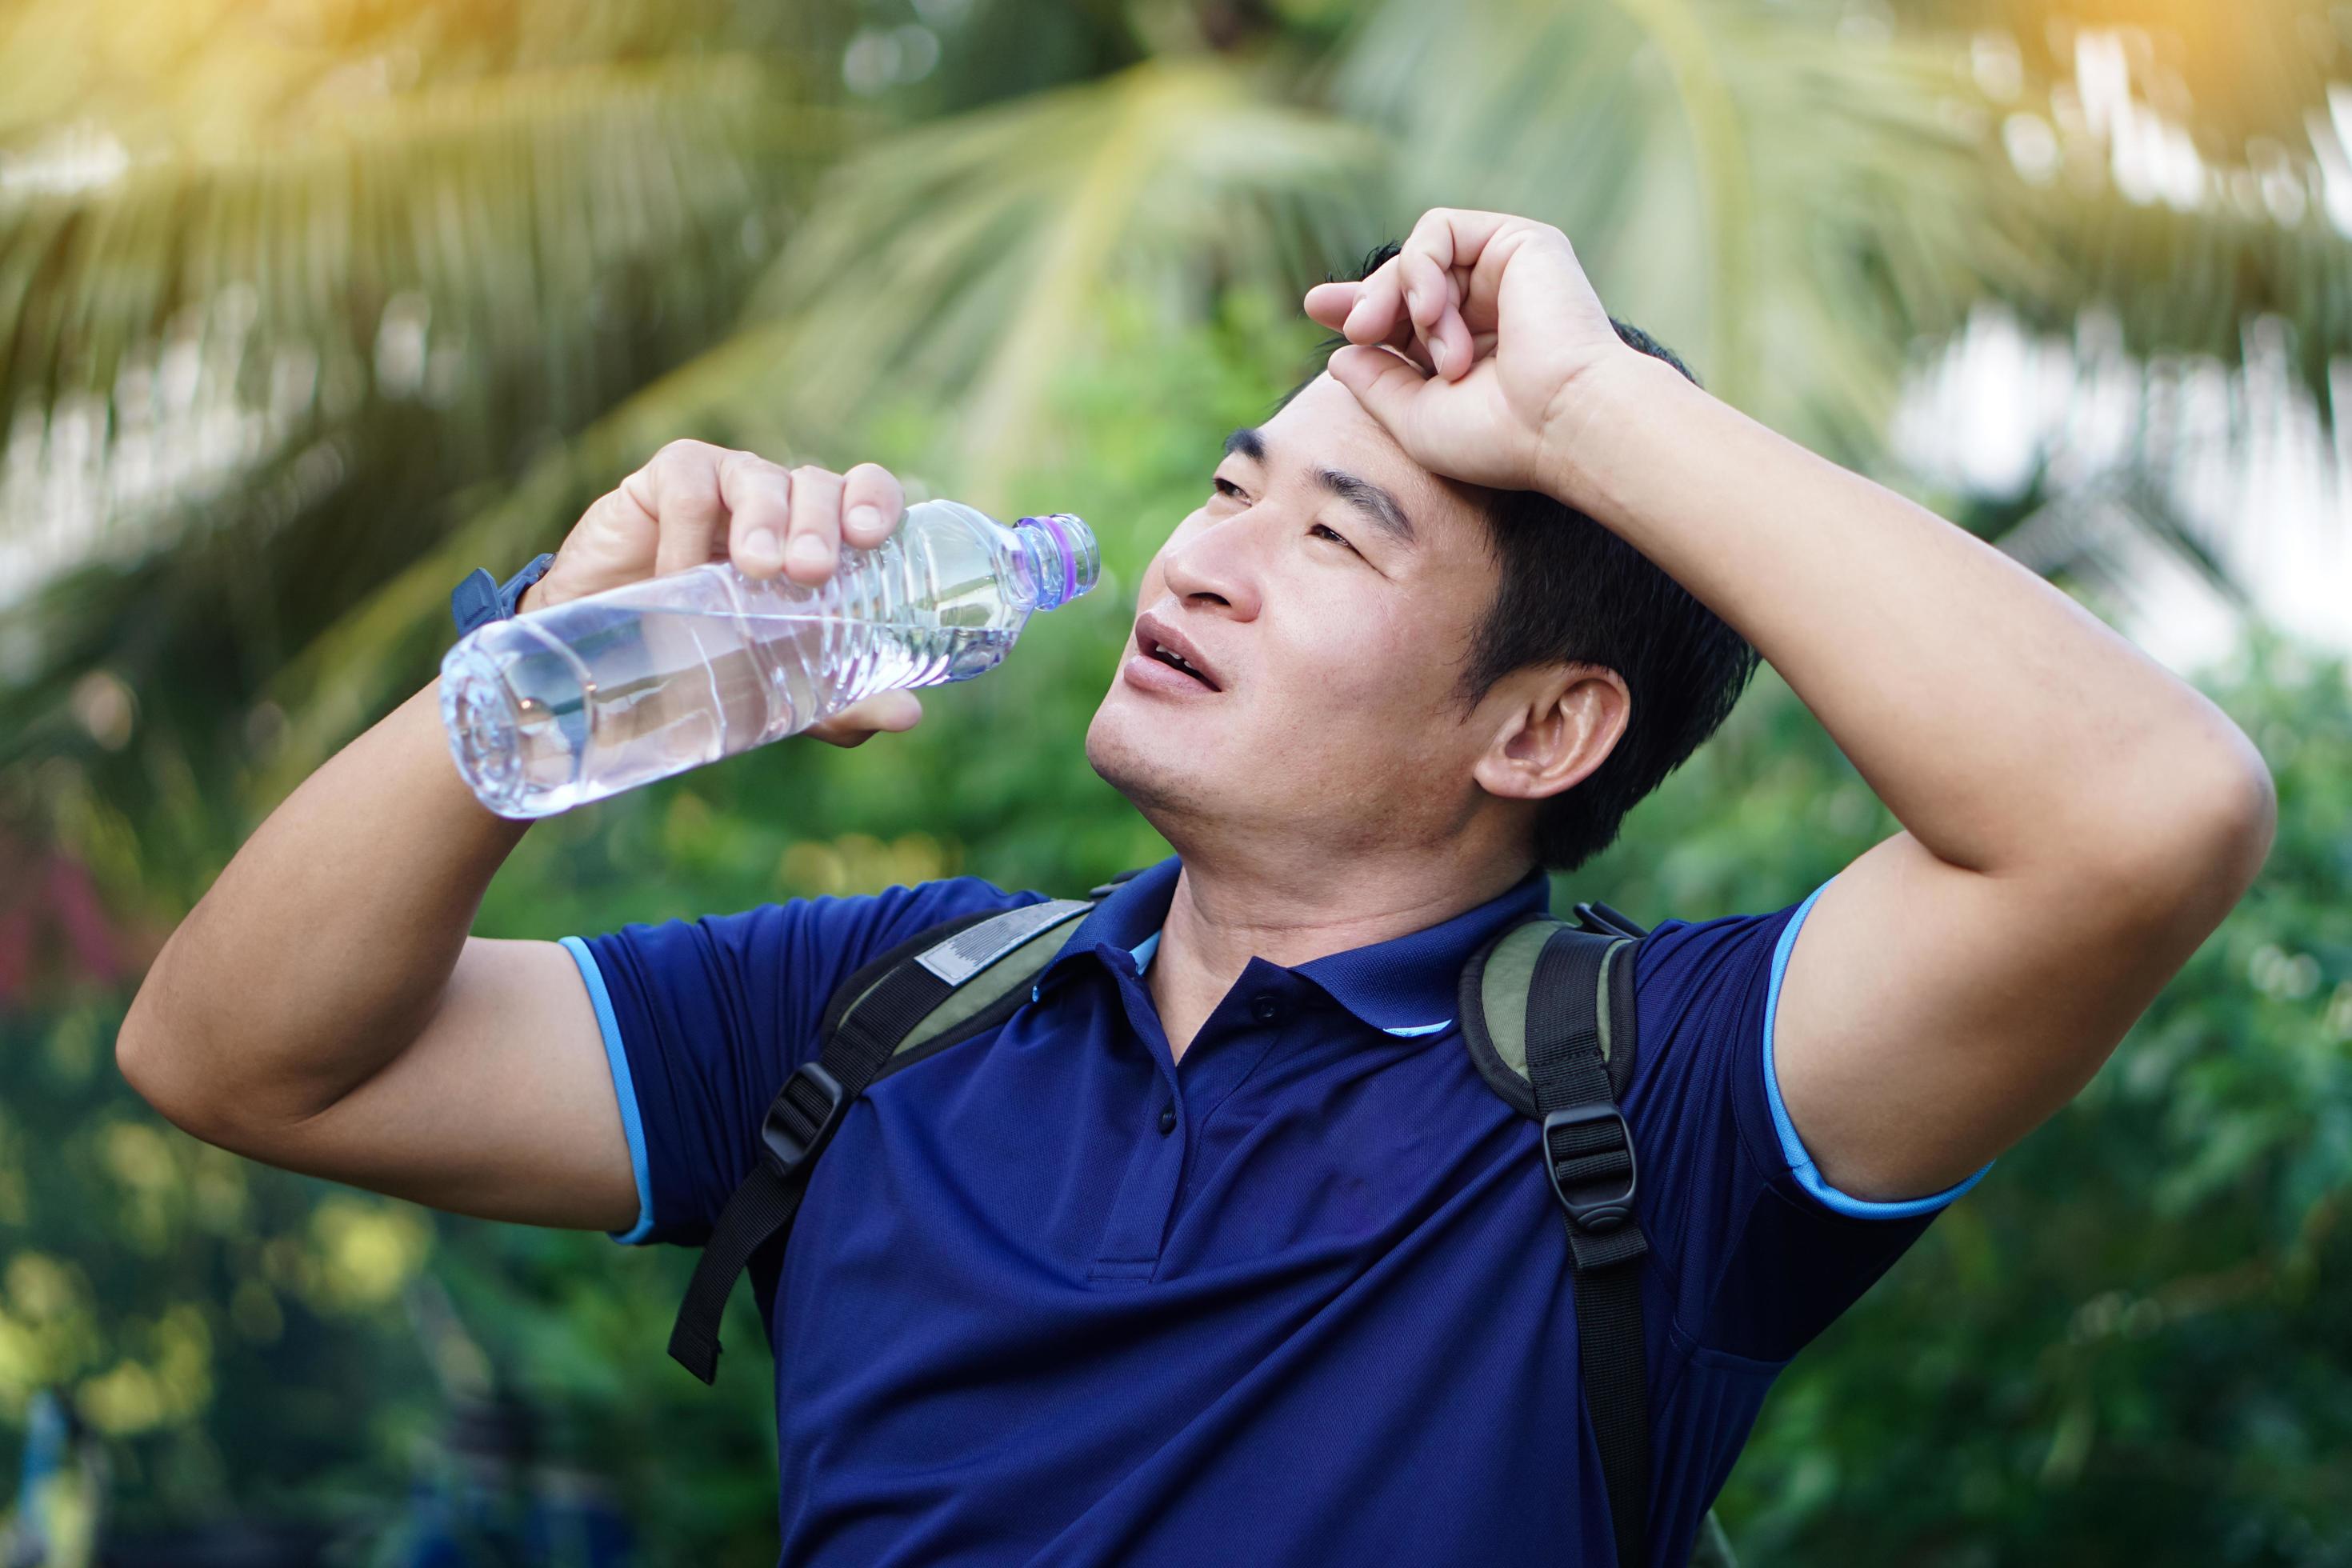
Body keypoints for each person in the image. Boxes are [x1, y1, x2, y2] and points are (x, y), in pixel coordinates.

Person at [118, 209, 2274, 1566]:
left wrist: (1586, 407)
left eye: (1330, 538)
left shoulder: (1664, 1101)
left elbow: (2141, 814)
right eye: (1229, 488)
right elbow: (237, 1054)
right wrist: (547, 668)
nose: (1202, 557)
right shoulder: (888, 1010)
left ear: (1537, 732)